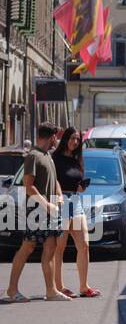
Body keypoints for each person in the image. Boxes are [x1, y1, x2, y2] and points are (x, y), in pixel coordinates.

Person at [2, 124, 68, 303]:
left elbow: (54, 181)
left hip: (50, 210)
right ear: (51, 136)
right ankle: (12, 289)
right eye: (56, 136)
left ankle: (51, 291)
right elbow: (28, 185)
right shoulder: (33, 156)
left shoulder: (48, 155)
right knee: (28, 246)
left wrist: (60, 197)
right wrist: (47, 205)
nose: (57, 140)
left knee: (50, 248)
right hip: (36, 210)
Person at [52, 128, 99, 298]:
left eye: (78, 139)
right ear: (65, 139)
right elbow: (53, 180)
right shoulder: (55, 158)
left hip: (76, 202)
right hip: (61, 203)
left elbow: (77, 179)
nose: (75, 142)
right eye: (72, 138)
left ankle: (83, 286)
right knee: (59, 247)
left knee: (84, 245)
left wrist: (81, 186)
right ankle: (59, 286)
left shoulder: (77, 158)